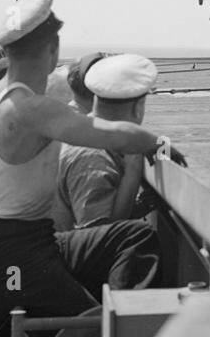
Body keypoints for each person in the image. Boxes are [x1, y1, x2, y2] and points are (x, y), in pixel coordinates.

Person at [0, 0, 184, 337]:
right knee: (93, 329)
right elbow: (109, 133)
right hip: (15, 256)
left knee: (134, 235)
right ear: (53, 50)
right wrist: (156, 143)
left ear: (9, 51)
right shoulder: (32, 108)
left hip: (15, 246)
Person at [54, 52, 156, 229]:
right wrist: (132, 174)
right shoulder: (93, 157)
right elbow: (98, 238)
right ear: (138, 109)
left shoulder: (86, 135)